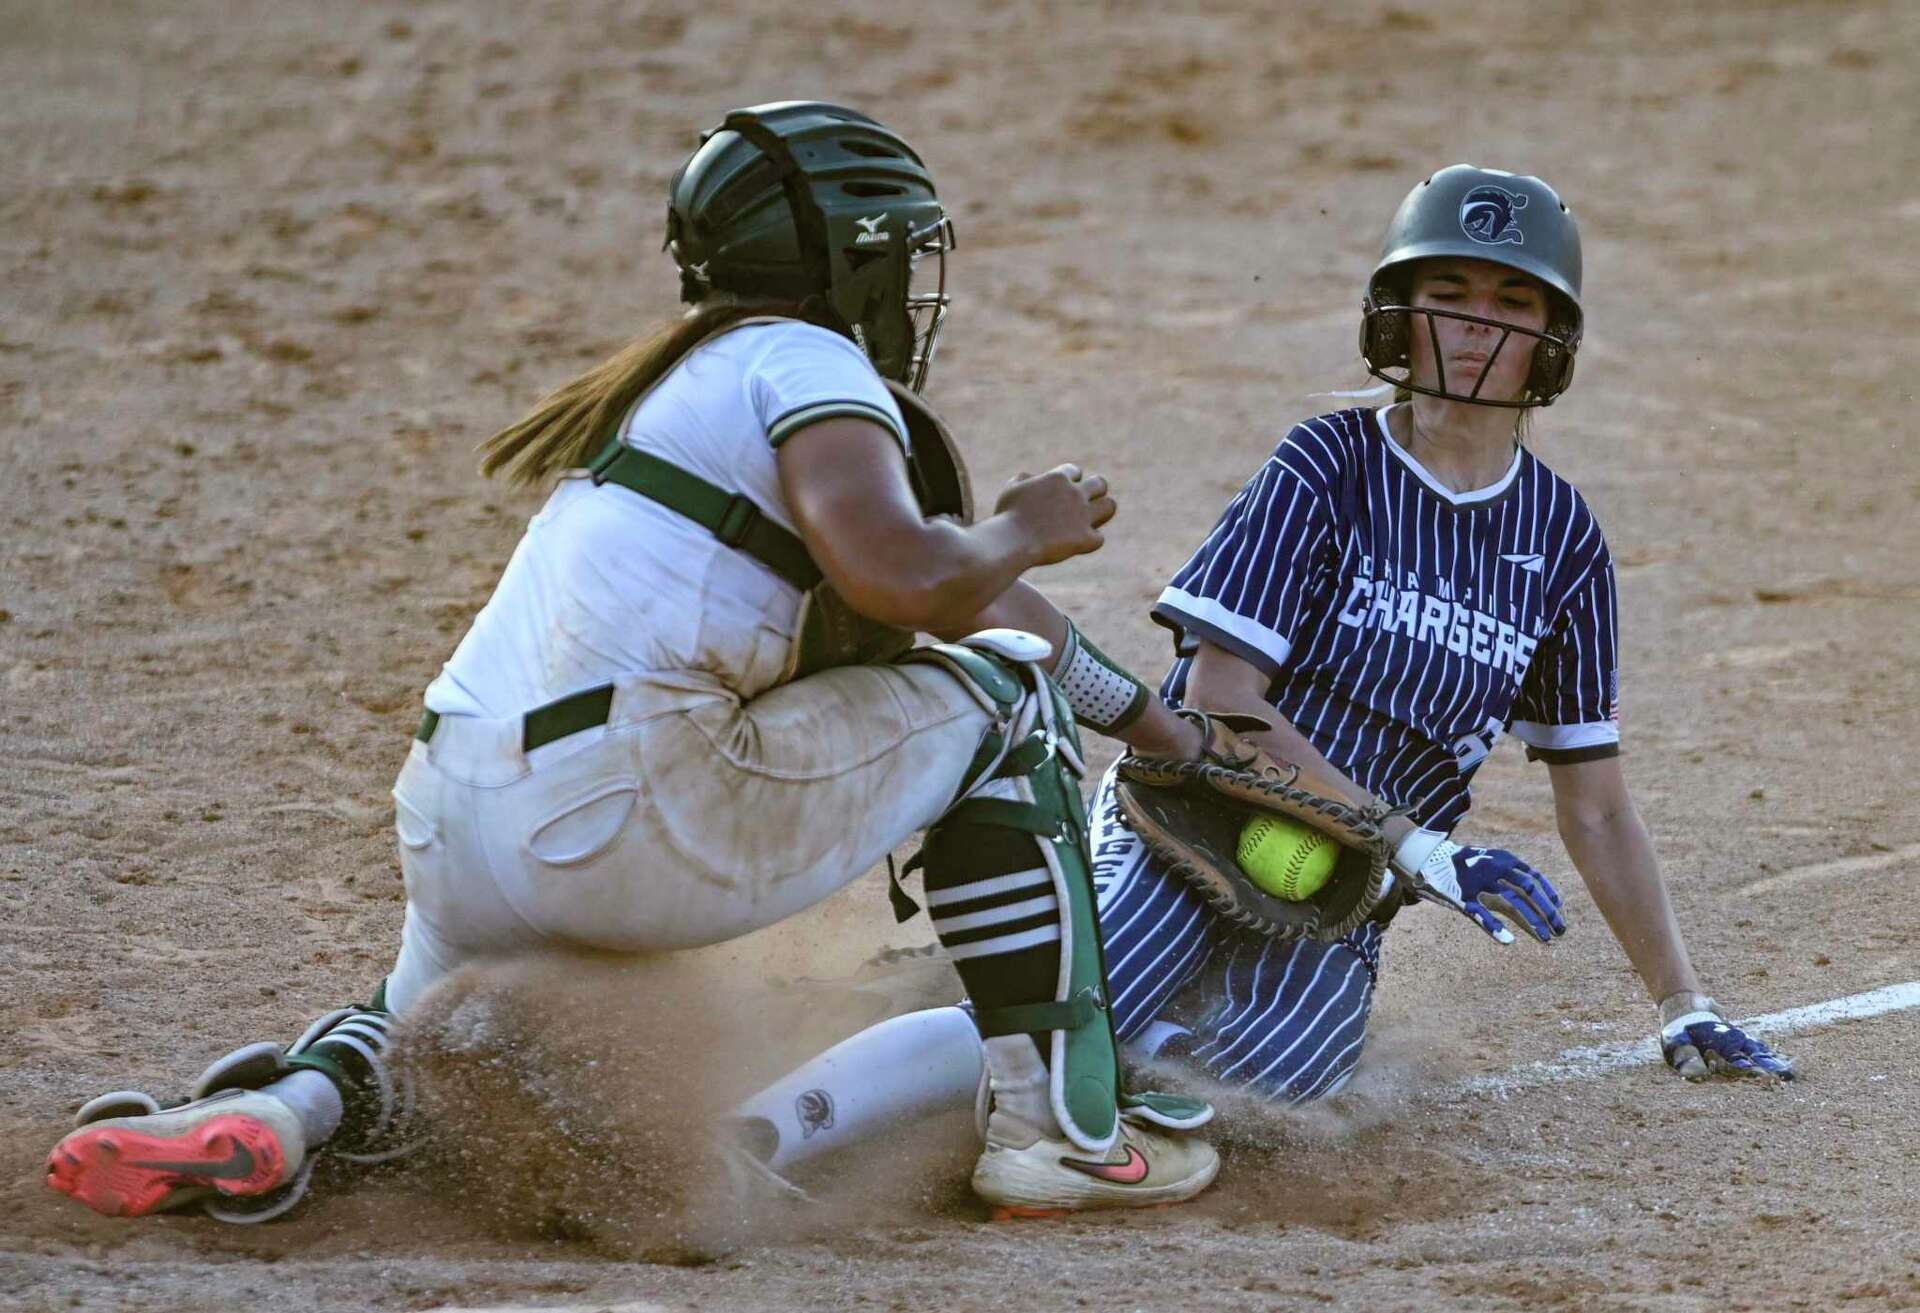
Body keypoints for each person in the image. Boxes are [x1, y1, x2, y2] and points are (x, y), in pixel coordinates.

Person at [43, 101, 1222, 1224]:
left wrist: (1162, 730)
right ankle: (1063, 1134)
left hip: (458, 819)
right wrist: (1031, 520)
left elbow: (954, 594)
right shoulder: (805, 359)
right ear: (849, 258)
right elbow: (911, 581)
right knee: (1008, 700)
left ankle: (274, 1112)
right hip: (624, 808)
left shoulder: (668, 393)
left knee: (411, 1016)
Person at [724, 165, 1791, 1182]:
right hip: (1187, 818)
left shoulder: (1562, 541)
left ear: (1550, 336)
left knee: (1251, 1093)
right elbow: (1216, 702)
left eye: (1512, 300)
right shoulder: (1328, 464)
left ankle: (1026, 1157)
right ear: (1396, 313)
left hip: (1337, 896)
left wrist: (1681, 1000)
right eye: (1448, 291)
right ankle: (764, 1131)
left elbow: (1595, 805)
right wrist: (1414, 842)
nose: (1477, 323)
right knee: (1066, 1025)